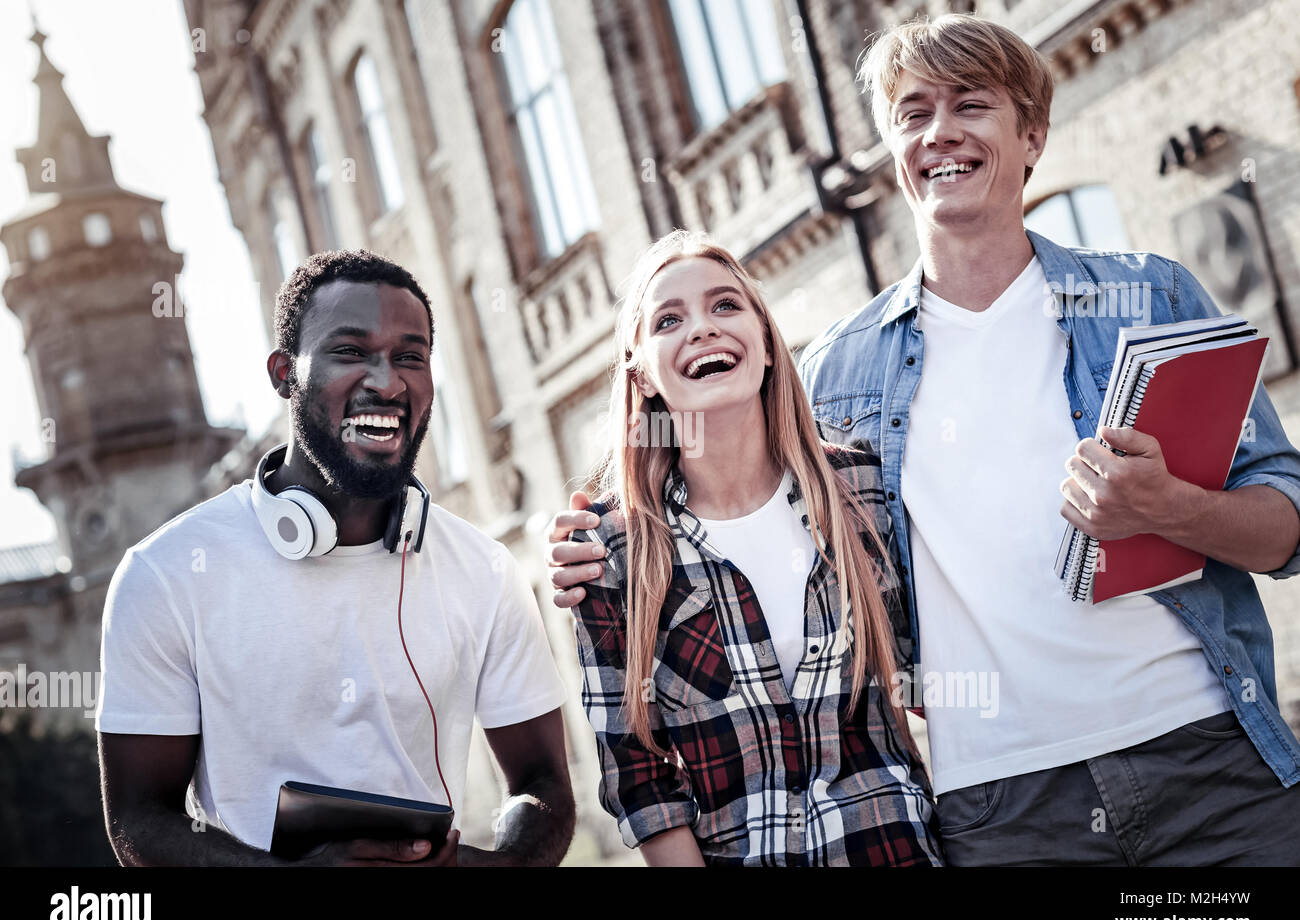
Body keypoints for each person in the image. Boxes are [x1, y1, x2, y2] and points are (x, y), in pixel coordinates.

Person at [552, 14, 1300, 865]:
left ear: (1032, 136)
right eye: (912, 114)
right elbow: (724, 496)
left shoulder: (1150, 299)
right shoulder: (837, 370)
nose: (939, 132)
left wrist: (1177, 509)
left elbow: (1287, 530)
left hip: (1211, 762)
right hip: (1005, 810)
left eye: (970, 105)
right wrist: (600, 538)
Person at [98, 249, 575, 866]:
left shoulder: (482, 569)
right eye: (350, 352)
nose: (388, 380)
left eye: (410, 356)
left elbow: (543, 784)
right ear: (283, 375)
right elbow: (139, 819)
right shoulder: (162, 575)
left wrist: (500, 864)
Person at [563, 230, 942, 866]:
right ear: (643, 374)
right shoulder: (612, 554)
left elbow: (928, 677)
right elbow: (639, 782)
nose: (704, 329)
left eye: (726, 306)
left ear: (766, 345)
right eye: (669, 319)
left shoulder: (863, 489)